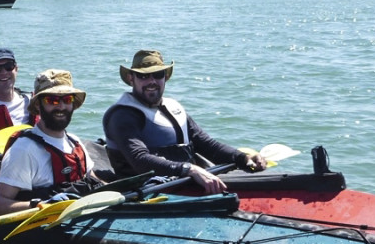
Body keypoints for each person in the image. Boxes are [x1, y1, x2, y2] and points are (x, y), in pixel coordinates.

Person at [101, 49, 266, 195]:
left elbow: (206, 144)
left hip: (183, 182)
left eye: (158, 75)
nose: (152, 81)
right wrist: (189, 169)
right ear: (131, 78)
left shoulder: (174, 108)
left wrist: (241, 157)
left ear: (165, 77)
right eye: (143, 76)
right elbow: (139, 160)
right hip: (147, 192)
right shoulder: (122, 116)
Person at [0, 69, 104, 217]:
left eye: (67, 100)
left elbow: (94, 181)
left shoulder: (75, 142)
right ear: (38, 105)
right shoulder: (24, 150)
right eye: (52, 100)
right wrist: (41, 205)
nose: (61, 107)